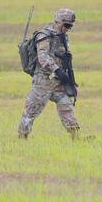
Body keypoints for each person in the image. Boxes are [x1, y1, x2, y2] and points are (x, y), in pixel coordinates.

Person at [18, 8, 81, 139]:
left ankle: (76, 136)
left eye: (71, 26)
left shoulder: (63, 36)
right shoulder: (44, 35)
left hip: (59, 80)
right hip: (44, 80)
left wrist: (67, 76)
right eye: (67, 25)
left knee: (66, 106)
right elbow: (43, 57)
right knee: (32, 110)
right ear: (58, 22)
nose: (68, 29)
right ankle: (22, 137)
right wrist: (56, 69)